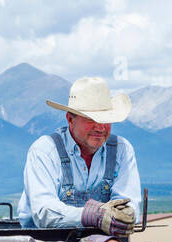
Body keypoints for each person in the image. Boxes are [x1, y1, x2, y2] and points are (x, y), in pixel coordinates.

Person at [17, 77, 142, 234]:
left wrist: (125, 215)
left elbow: (130, 205)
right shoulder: (44, 151)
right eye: (90, 119)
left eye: (106, 119)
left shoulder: (121, 150)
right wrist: (96, 215)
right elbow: (44, 212)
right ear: (70, 119)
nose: (100, 127)